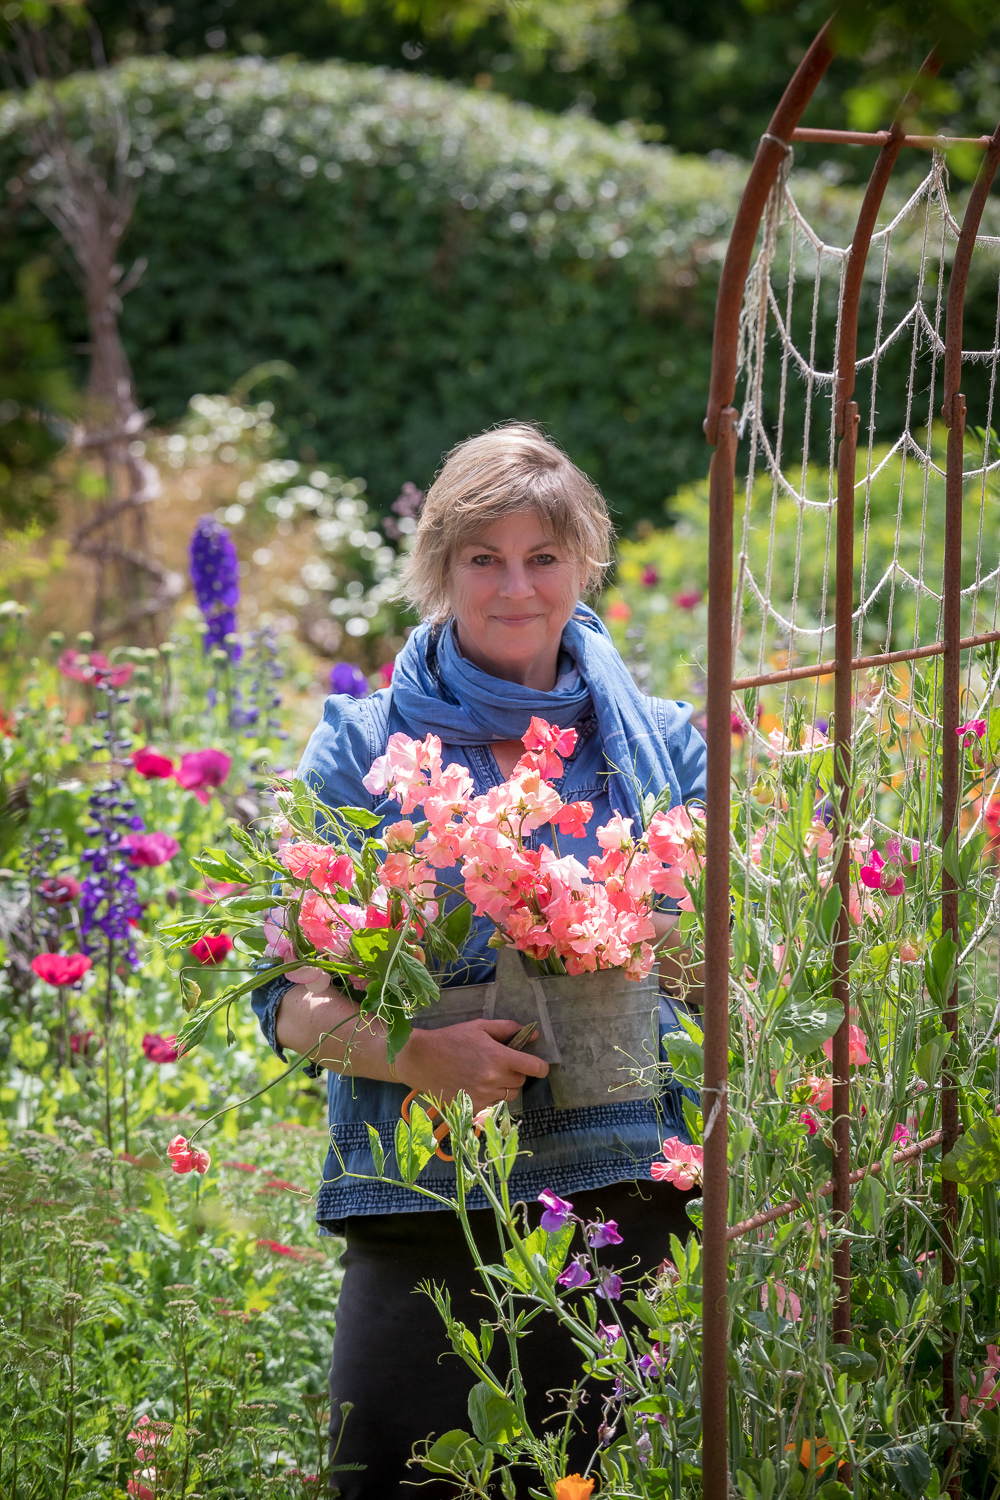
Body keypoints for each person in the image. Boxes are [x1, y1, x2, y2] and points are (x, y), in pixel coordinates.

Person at [251, 423, 707, 1498]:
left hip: (623, 1209)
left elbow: (710, 978)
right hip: (422, 1205)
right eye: (482, 558)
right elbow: (286, 1000)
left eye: (543, 556)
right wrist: (418, 1056)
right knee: (391, 1482)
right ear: (440, 569)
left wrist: (619, 942)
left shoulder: (661, 744)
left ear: (584, 564)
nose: (516, 586)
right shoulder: (361, 750)